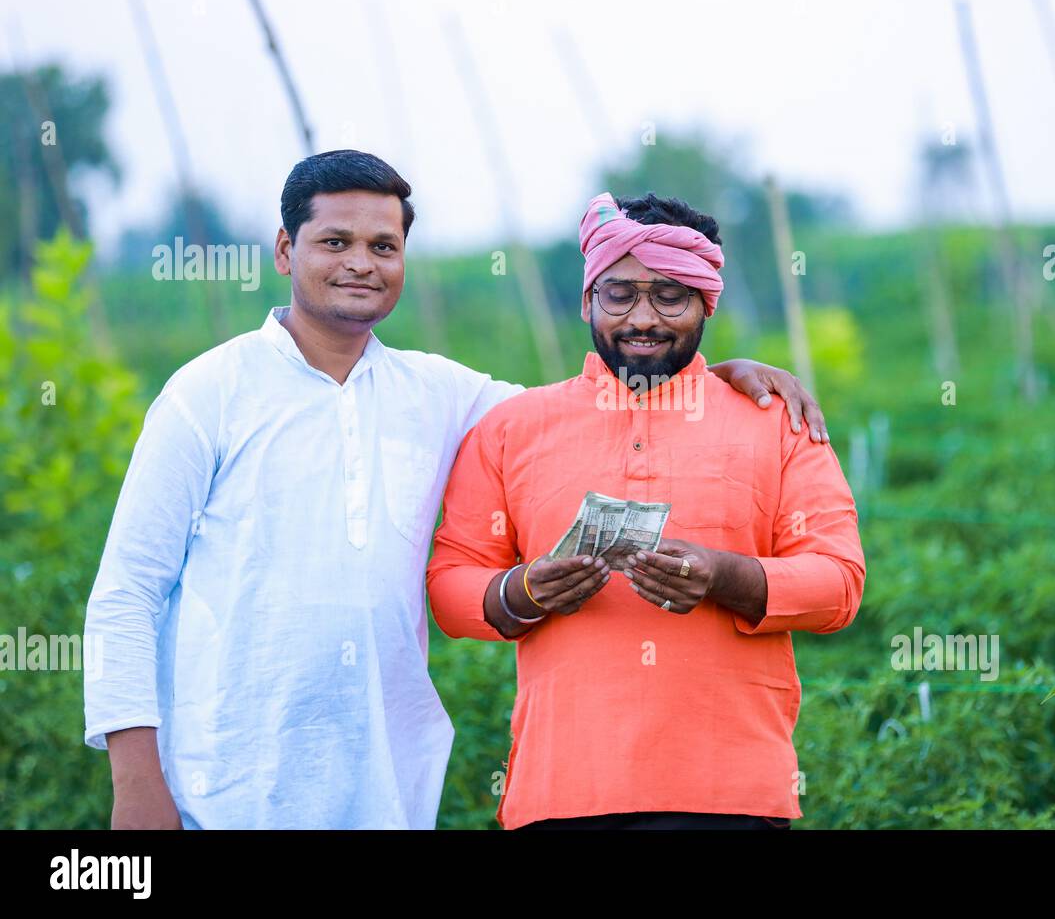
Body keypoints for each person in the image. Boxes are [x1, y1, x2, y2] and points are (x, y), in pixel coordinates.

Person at [83, 151, 829, 829]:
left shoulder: (437, 392)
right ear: (285, 250)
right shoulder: (208, 393)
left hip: (385, 782)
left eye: (384, 246)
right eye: (334, 242)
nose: (361, 264)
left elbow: (588, 406)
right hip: (223, 775)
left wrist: (720, 373)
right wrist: (137, 782)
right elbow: (126, 594)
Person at [426, 191, 866, 829]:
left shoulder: (777, 421)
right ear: (587, 300)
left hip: (730, 793)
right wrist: (524, 591)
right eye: (620, 294)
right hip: (561, 792)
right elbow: (450, 587)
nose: (643, 317)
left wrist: (724, 576)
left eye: (671, 296)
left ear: (705, 304)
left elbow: (840, 583)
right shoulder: (511, 428)